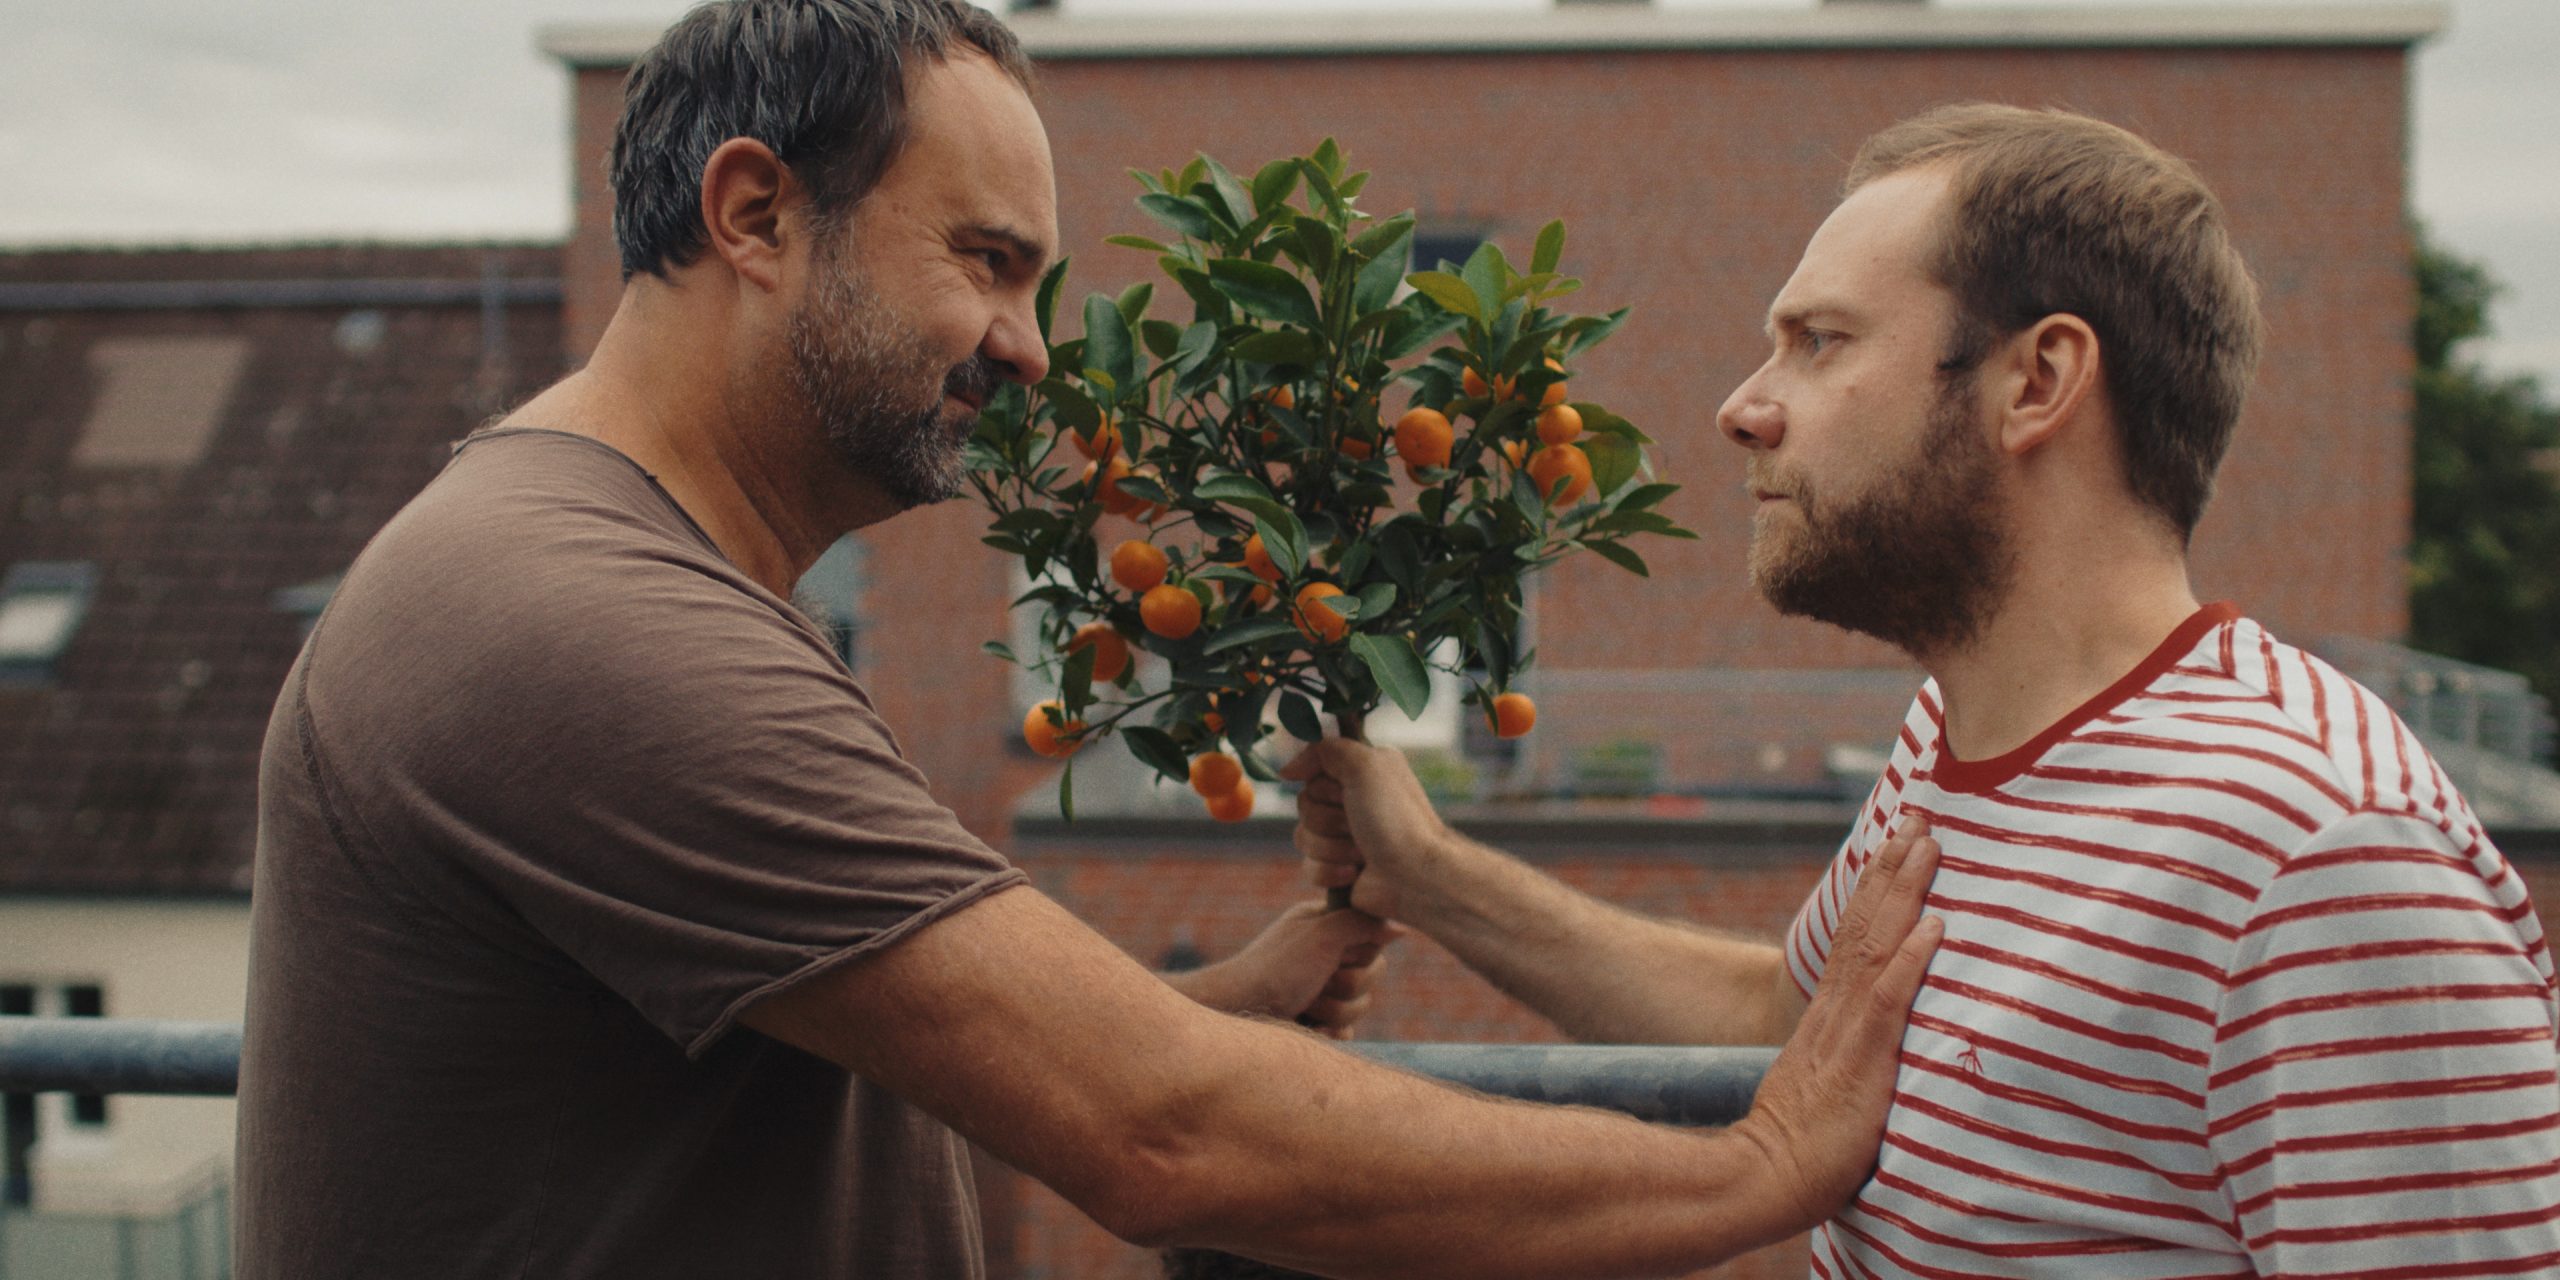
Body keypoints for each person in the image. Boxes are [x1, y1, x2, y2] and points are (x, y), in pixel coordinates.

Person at [234, 3, 1947, 1277]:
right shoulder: (577, 622)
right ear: (752, 215)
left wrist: (1186, 1003)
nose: (1033, 350)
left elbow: (820, 1019)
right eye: (987, 261)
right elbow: (1161, 1132)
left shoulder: (642, 580)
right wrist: (1760, 1162)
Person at [1292, 103, 2560, 1277]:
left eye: (1820, 341)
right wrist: (1428, 873)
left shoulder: (2323, 856)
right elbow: (1796, 1018)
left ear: (2037, 382)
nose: (1743, 407)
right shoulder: (1962, 738)